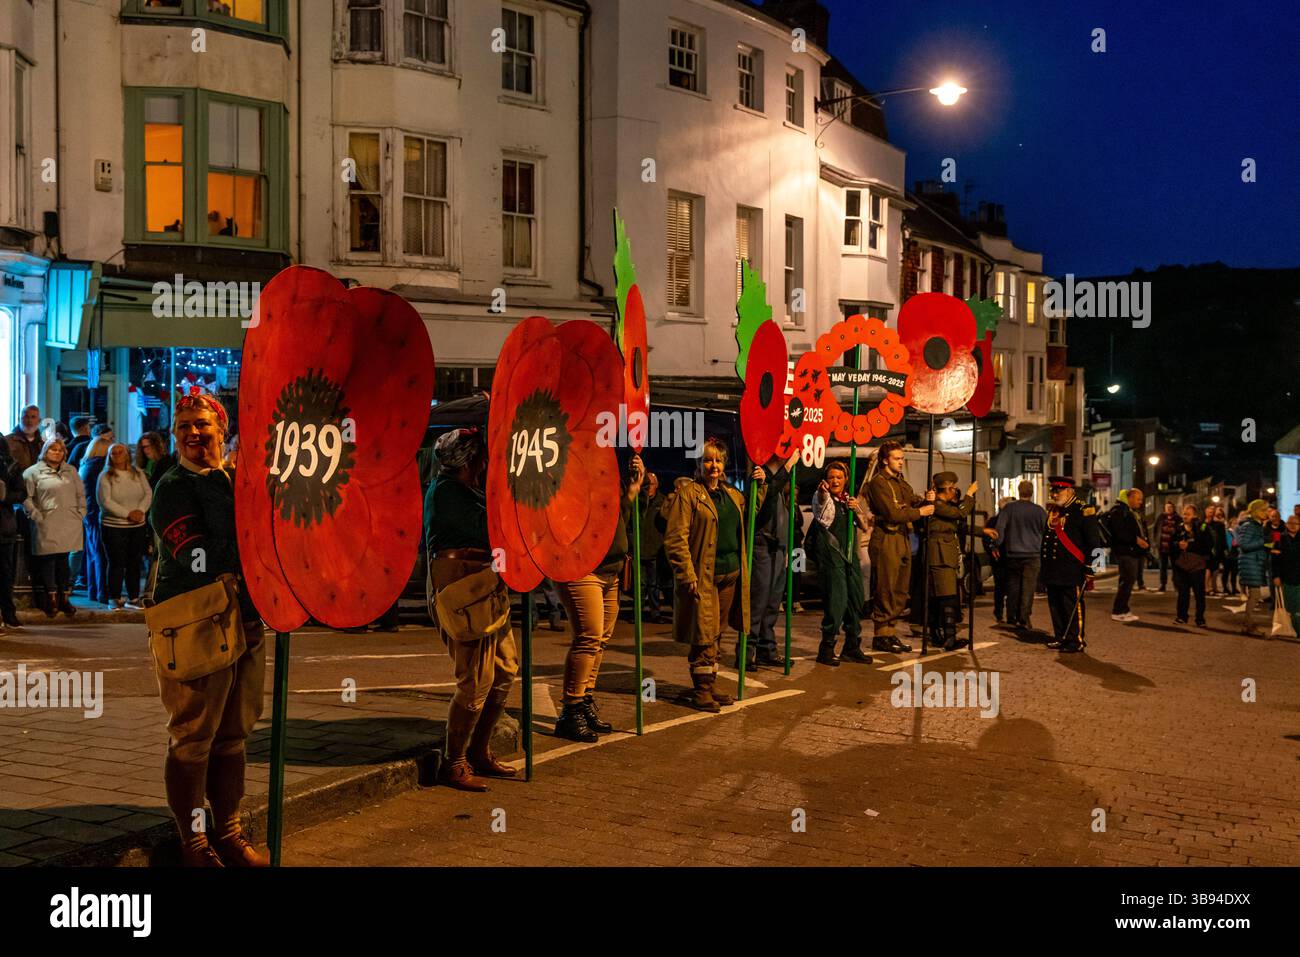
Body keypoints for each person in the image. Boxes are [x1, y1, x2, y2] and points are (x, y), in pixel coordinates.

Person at [149, 390, 268, 866]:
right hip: (194, 621)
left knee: (234, 734)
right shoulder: (172, 485)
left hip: (247, 618)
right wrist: (238, 565)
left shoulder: (239, 480)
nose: (194, 433)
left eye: (202, 424)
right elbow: (191, 551)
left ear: (222, 429)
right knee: (193, 736)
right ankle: (193, 841)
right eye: (184, 427)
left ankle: (230, 832)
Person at [423, 428, 519, 791]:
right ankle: (455, 760)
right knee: (475, 680)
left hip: (483, 584)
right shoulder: (447, 493)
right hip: (462, 588)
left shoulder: (463, 490)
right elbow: (489, 529)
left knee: (504, 669)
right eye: (479, 456)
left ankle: (479, 750)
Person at [663, 438, 767, 712]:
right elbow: (675, 538)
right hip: (703, 576)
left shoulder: (733, 495)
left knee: (717, 633)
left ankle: (711, 682)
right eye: (708, 460)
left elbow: (751, 516)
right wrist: (686, 573)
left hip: (730, 575)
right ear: (699, 464)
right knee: (704, 634)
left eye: (718, 461)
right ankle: (702, 691)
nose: (714, 466)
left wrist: (761, 484)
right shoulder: (688, 494)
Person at [554, 454, 644, 742]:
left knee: (600, 640)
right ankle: (570, 710)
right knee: (588, 637)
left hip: (611, 570)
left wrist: (631, 492)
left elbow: (619, 522)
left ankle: (584, 699)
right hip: (583, 569)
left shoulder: (609, 481)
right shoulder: (570, 480)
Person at [864, 441, 935, 653]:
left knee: (900, 590)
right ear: (885, 460)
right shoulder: (878, 483)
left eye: (902, 458)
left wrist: (925, 501)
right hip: (887, 538)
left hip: (903, 537)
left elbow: (911, 501)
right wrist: (919, 512)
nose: (901, 462)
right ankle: (881, 635)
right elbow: (893, 513)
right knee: (886, 588)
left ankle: (891, 632)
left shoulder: (900, 482)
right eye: (897, 458)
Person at [810, 460, 870, 666]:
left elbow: (864, 525)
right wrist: (822, 492)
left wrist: (857, 509)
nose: (835, 481)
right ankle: (826, 648)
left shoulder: (848, 500)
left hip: (849, 557)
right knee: (837, 602)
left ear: (846, 480)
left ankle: (852, 647)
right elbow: (822, 505)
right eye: (831, 477)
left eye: (839, 477)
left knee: (855, 600)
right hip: (832, 556)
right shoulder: (822, 498)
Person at [22, 438, 85, 617]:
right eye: (52, 449)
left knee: (64, 560)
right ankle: (50, 598)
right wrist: (35, 514)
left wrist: (81, 512)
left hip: (69, 520)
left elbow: (80, 493)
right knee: (48, 560)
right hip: (47, 520)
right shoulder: (33, 472)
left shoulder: (71, 471)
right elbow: (26, 496)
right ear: (45, 451)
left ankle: (64, 597)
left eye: (60, 450)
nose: (57, 452)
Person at [1040, 476, 1101, 653]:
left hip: (1071, 569)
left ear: (1069, 491)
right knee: (1055, 605)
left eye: (1058, 491)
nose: (1054, 494)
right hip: (1053, 569)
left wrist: (1092, 568)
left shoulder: (1083, 509)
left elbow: (1094, 542)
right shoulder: (1053, 510)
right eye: (1053, 491)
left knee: (1071, 607)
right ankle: (1061, 637)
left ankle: (1076, 640)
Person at [921, 472, 978, 651]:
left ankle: (939, 634)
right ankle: (949, 637)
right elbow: (960, 513)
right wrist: (969, 495)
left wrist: (984, 531)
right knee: (947, 597)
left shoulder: (941, 504)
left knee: (942, 597)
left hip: (944, 553)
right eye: (953, 488)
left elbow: (960, 523)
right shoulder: (937, 505)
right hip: (940, 555)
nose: (955, 491)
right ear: (947, 488)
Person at [748, 454, 795, 668]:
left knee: (773, 602)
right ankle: (747, 652)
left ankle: (767, 649)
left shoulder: (781, 478)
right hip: (762, 544)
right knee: (758, 600)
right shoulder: (761, 474)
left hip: (779, 546)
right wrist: (789, 465)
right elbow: (769, 493)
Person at [98, 442, 153, 610]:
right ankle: (114, 598)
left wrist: (141, 510)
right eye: (113, 452)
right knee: (116, 563)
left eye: (120, 451)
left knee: (134, 563)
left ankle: (133, 597)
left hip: (136, 525)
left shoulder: (138, 473)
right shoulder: (105, 476)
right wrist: (127, 514)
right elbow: (105, 501)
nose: (117, 454)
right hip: (114, 526)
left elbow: (148, 493)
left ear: (127, 454)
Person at [986, 480, 1046, 631]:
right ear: (1031, 493)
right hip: (1033, 555)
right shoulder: (1039, 511)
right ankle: (1024, 617)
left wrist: (995, 545)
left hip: (1013, 554)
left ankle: (1011, 616)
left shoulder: (1009, 509)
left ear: (1019, 492)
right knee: (1028, 588)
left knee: (1013, 587)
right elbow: (1046, 532)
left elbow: (1000, 530)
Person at [79, 434, 113, 606]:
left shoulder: (85, 465)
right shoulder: (100, 467)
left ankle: (94, 590)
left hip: (88, 512)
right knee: (101, 554)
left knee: (92, 553)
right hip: (98, 512)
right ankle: (103, 591)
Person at [1107, 487, 1149, 623]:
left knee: (1126, 581)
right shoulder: (1119, 510)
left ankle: (1123, 609)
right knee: (1128, 581)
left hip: (1131, 551)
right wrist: (1136, 539)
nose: (1140, 502)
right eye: (1138, 499)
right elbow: (1119, 532)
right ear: (1130, 498)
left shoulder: (1129, 511)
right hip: (1125, 552)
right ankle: (1118, 610)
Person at [1170, 504, 1213, 626]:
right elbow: (1171, 544)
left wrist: (1190, 546)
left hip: (1197, 566)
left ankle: (1200, 618)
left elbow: (1207, 546)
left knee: (1199, 594)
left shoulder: (1202, 528)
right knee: (1183, 593)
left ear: (1194, 515)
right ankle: (1181, 616)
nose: (1185, 516)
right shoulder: (1178, 528)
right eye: (1184, 513)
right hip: (1181, 566)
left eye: (1188, 514)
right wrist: (1177, 545)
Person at [1235, 499, 1272, 638]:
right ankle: (1248, 626)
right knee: (1255, 595)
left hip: (1254, 563)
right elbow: (1244, 545)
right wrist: (1264, 542)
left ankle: (1248, 625)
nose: (1266, 513)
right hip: (1250, 564)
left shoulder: (1256, 526)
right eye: (1264, 510)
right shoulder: (1249, 525)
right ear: (1256, 511)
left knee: (1255, 595)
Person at [0, 439, 26, 630]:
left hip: (4, 525)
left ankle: (8, 613)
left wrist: (4, 496)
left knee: (5, 573)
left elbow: (21, 493)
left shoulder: (11, 466)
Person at [638, 471, 669, 623]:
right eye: (646, 484)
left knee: (654, 585)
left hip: (655, 550)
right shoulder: (638, 501)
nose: (649, 487)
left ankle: (655, 612)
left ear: (656, 486)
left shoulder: (663, 502)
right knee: (640, 584)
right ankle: (638, 612)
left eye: (651, 484)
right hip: (640, 550)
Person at [982, 498, 1013, 623]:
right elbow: (986, 538)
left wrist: (990, 551)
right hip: (1006, 558)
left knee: (1000, 588)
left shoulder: (993, 521)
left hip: (999, 558)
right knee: (1008, 587)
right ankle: (1006, 612)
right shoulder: (999, 521)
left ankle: (999, 612)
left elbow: (985, 540)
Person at [1272, 514, 1300, 636]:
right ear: (1286, 524)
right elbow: (1274, 560)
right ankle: (1291, 629)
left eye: (1296, 523)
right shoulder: (1279, 538)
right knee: (1288, 606)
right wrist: (1276, 576)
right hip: (1285, 576)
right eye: (1290, 523)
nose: (1293, 525)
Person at [7, 405, 42, 473]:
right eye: (26, 417)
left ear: (39, 421)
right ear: (19, 419)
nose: (29, 421)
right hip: (15, 482)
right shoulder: (7, 442)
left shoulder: (44, 443)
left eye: (33, 417)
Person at [1203, 504, 1226, 597]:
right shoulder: (1203, 523)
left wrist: (1224, 549)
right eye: (1209, 511)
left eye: (1212, 511)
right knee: (1208, 568)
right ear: (1205, 512)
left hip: (1217, 549)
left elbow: (1222, 537)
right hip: (1206, 549)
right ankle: (1206, 587)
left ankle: (1213, 587)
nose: (1210, 513)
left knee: (1215, 569)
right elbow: (1200, 533)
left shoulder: (1219, 524)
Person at [1155, 502, 1178, 592]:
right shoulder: (1160, 518)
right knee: (1162, 567)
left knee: (1175, 567)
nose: (1169, 509)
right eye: (1167, 507)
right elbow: (1156, 530)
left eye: (1170, 507)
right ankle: (1162, 584)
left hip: (1173, 547)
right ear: (1164, 508)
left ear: (1173, 508)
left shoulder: (1177, 518)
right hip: (1162, 547)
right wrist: (1156, 542)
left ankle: (1176, 584)